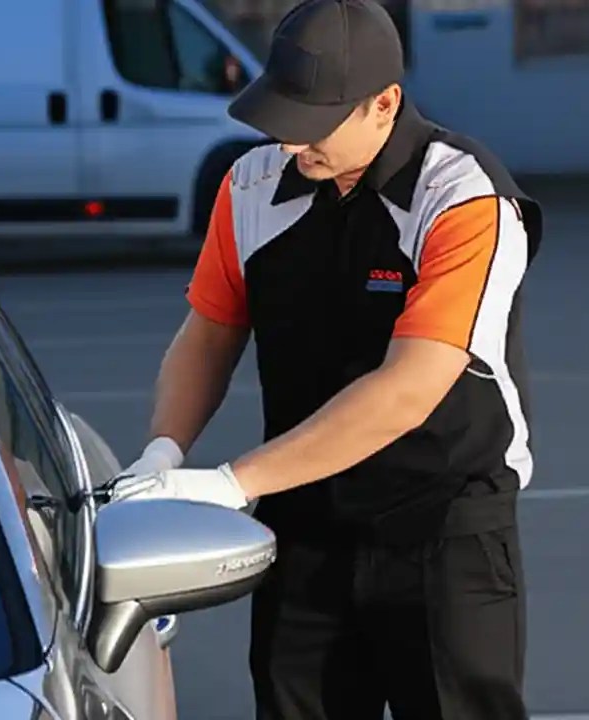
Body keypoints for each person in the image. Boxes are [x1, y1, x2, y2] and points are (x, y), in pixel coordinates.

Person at [108, 1, 543, 718]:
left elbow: (409, 389)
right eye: (282, 116)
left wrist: (230, 482)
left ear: (386, 105)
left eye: (314, 122)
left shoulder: (464, 198)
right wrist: (163, 447)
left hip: (441, 530)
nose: (291, 142)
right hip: (305, 527)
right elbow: (211, 332)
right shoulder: (250, 187)